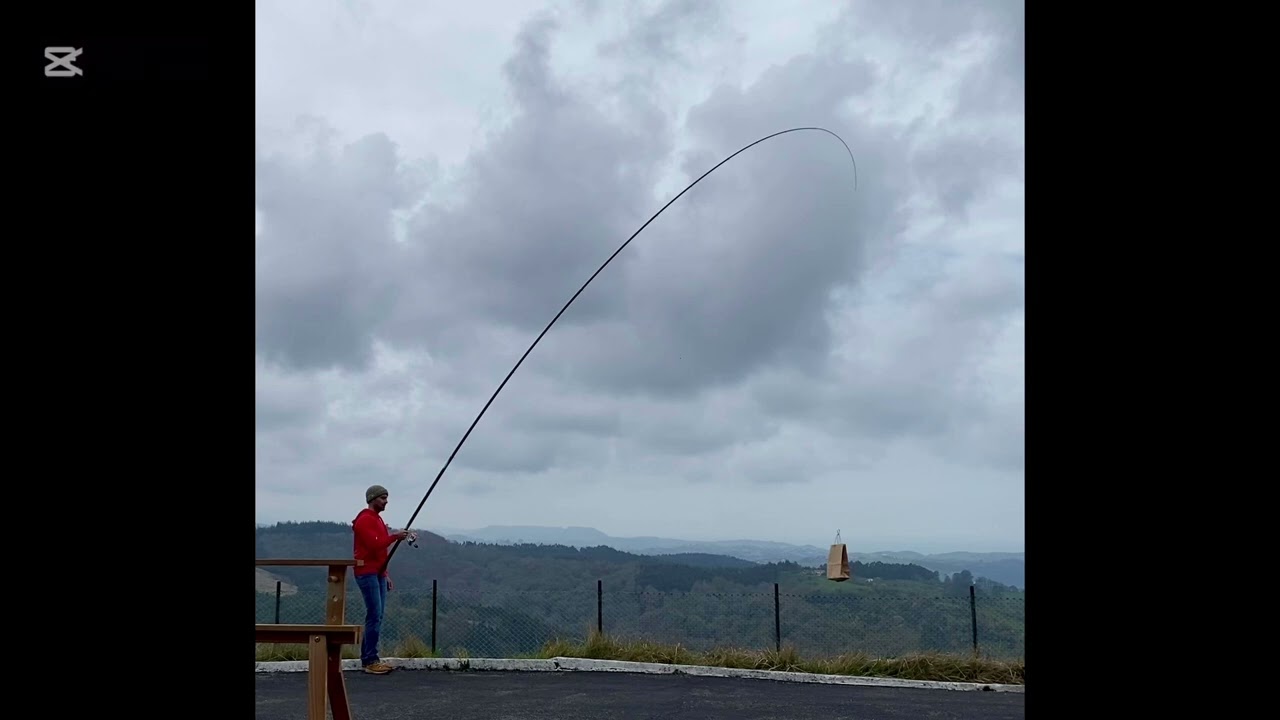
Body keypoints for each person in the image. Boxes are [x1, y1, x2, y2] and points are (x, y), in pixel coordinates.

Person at [352, 484, 409, 674]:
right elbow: (374, 545)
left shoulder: (377, 519)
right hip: (366, 573)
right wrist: (395, 537)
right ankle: (370, 660)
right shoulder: (365, 520)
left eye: (386, 497)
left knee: (377, 616)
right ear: (373, 499)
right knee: (374, 615)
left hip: (376, 573)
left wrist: (385, 574)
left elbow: (380, 552)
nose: (386, 502)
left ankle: (369, 658)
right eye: (383, 498)